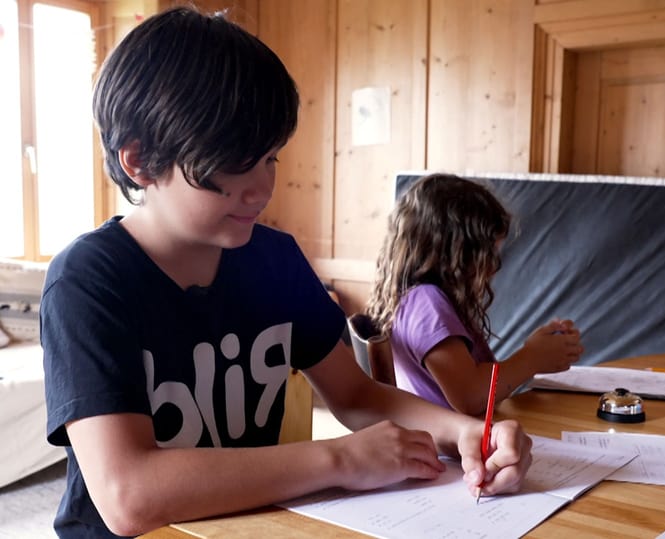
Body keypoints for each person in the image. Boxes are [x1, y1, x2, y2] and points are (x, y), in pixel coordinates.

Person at [40, 7, 531, 538]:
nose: (261, 187)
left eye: (271, 158)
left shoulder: (272, 259)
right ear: (139, 161)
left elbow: (357, 396)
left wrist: (469, 431)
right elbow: (128, 495)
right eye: (231, 163)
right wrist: (339, 460)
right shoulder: (89, 281)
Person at [366, 173, 584, 415]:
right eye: (488, 254)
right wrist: (532, 357)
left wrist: (535, 351)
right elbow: (471, 397)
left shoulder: (417, 299)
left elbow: (479, 386)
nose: (494, 266)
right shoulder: (427, 304)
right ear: (454, 251)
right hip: (452, 451)